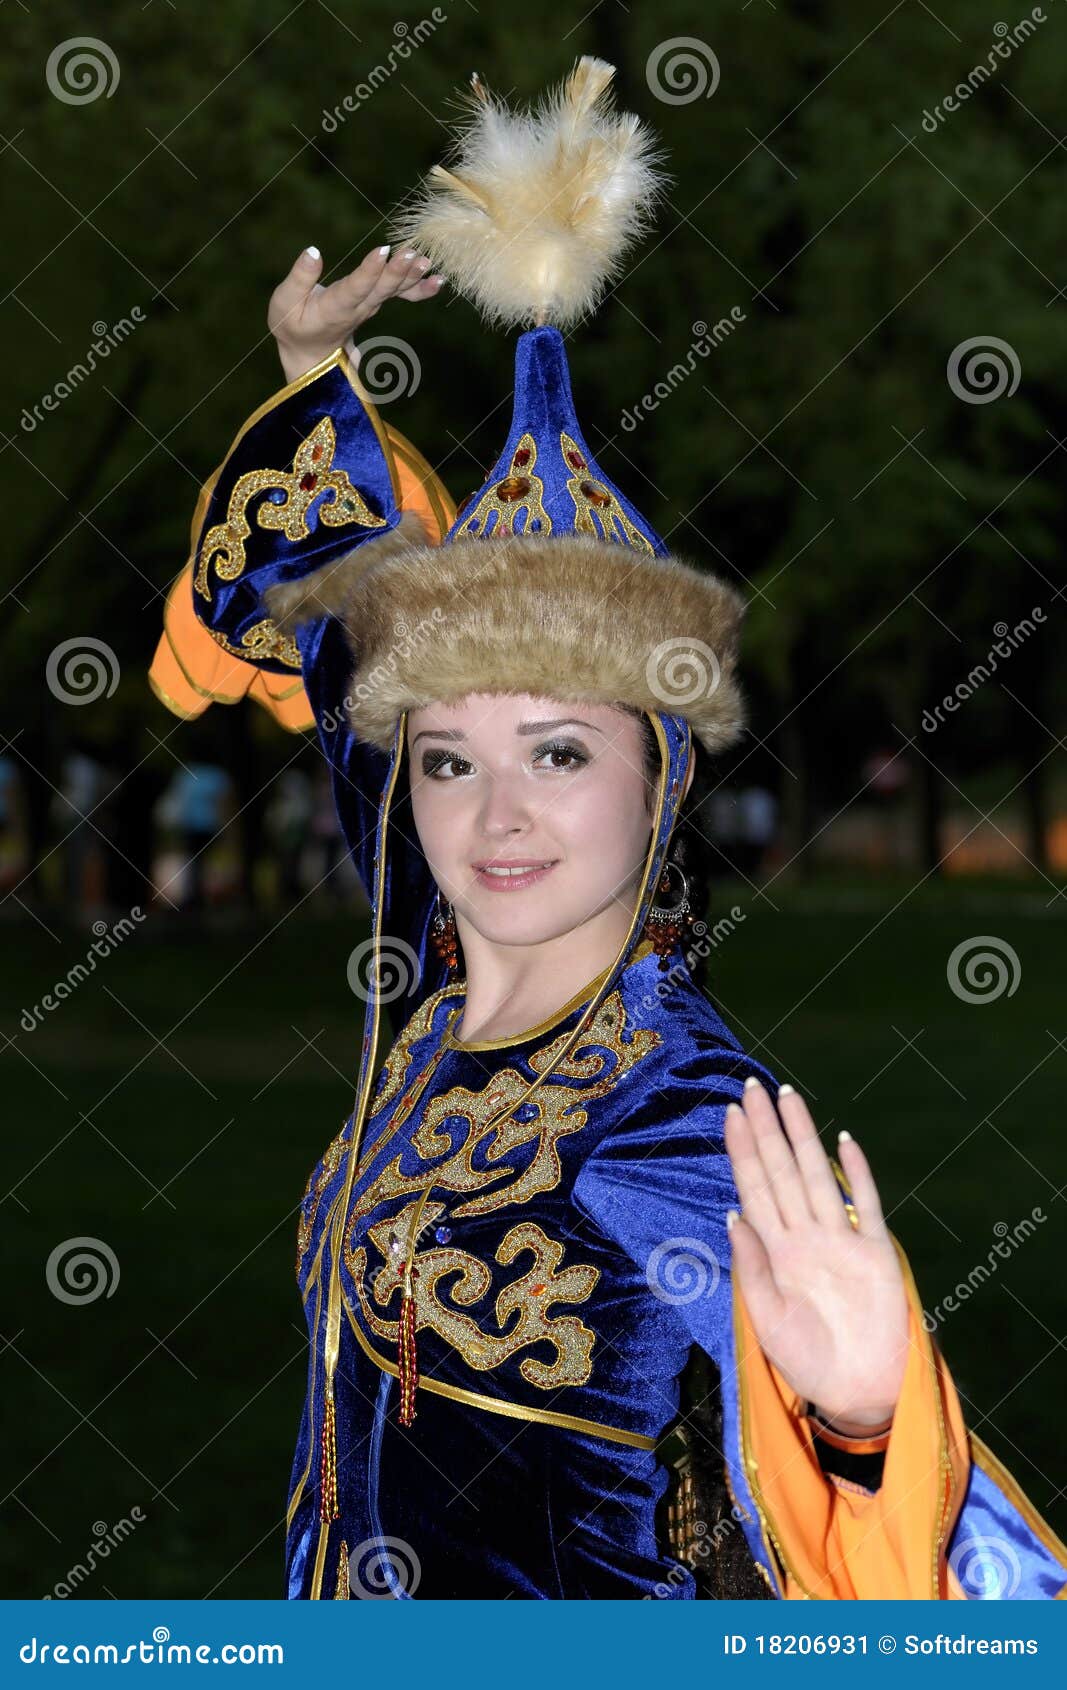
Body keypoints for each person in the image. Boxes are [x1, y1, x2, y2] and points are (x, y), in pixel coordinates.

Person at [148, 59, 1066, 1601]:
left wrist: (859, 1416)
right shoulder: (438, 965)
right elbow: (343, 637)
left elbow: (977, 1578)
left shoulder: (680, 1111)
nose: (494, 815)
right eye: (446, 761)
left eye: (561, 751)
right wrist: (313, 380)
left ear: (663, 780)